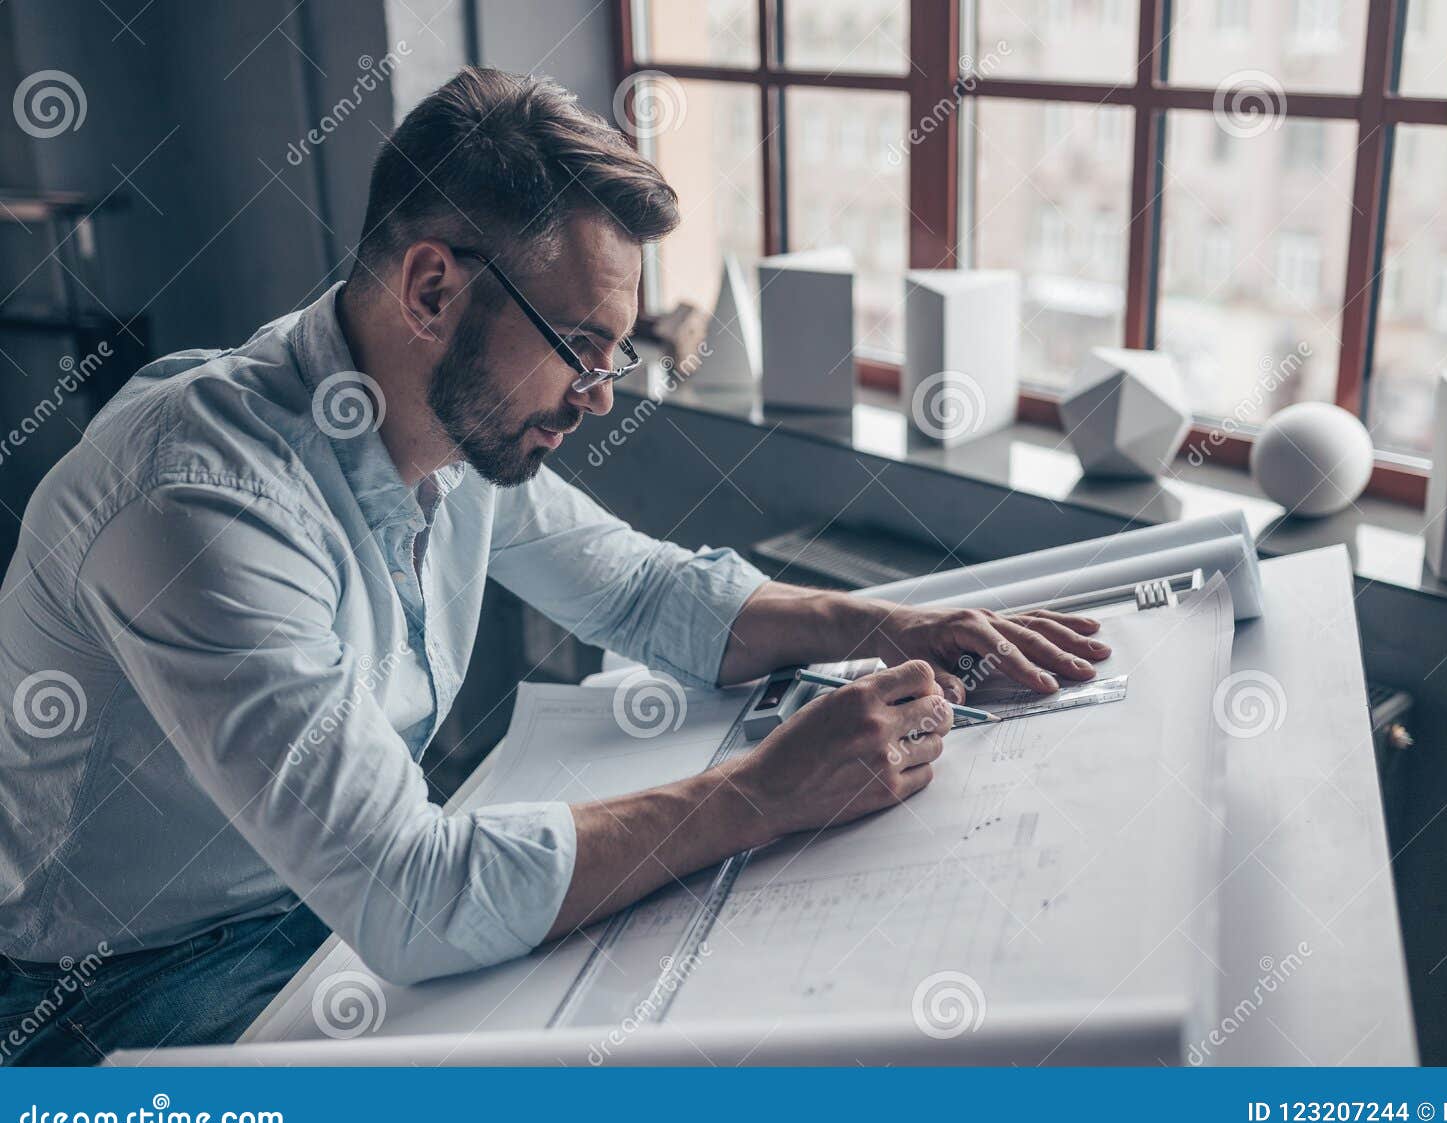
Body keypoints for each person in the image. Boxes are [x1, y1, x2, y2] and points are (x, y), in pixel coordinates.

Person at [0, 68, 1108, 1064]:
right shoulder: (196, 501)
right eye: (580, 345)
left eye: (616, 352)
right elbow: (408, 892)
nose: (596, 394)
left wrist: (885, 624)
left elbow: (636, 586)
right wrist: (766, 789)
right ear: (431, 291)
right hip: (120, 992)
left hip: (315, 895)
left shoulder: (439, 415)